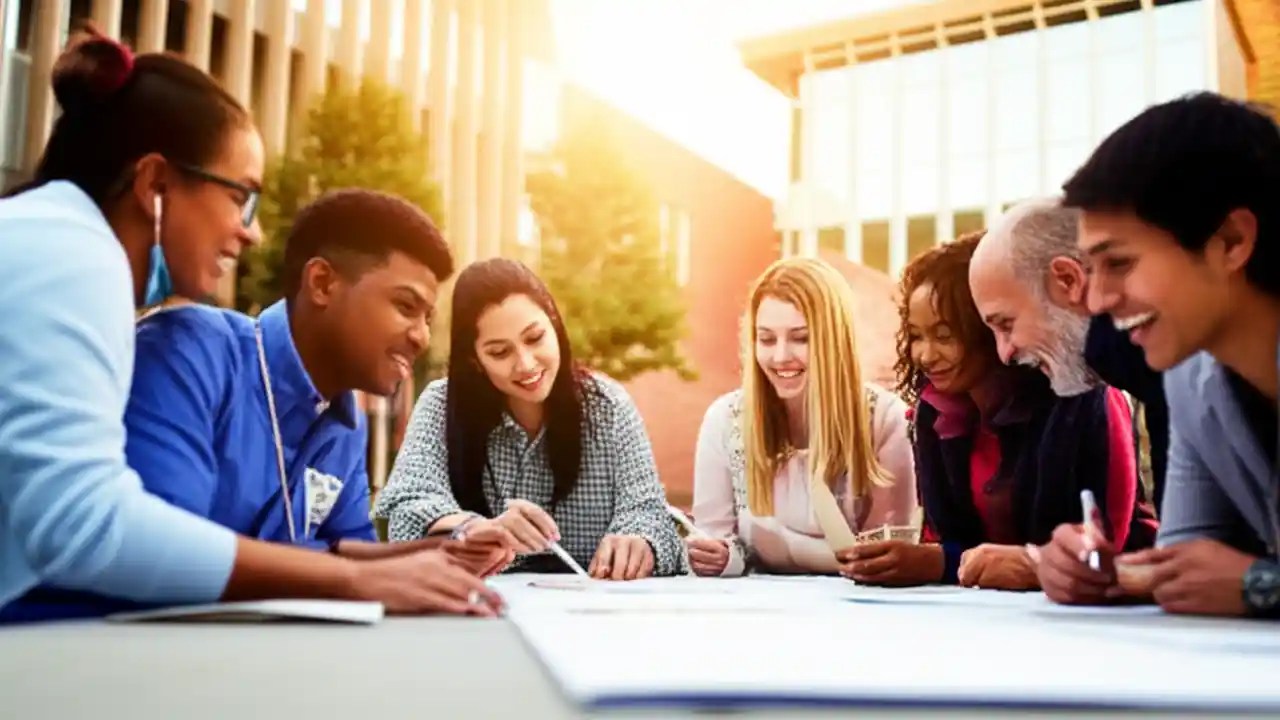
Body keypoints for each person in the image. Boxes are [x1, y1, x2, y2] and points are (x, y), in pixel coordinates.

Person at [0, 29, 499, 623]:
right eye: (244, 197)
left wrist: (434, 558)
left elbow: (329, 546)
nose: (252, 231)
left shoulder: (72, 249)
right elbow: (86, 525)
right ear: (156, 184)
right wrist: (350, 582)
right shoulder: (78, 255)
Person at [1034, 92, 1280, 617]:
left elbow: (1241, 580)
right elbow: (1190, 562)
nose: (1097, 300)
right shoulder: (1190, 380)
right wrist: (1101, 573)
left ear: (1230, 241)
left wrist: (1261, 585)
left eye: (1119, 262)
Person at [851, 232, 1146, 590]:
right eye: (916, 336)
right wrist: (931, 560)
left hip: (1117, 607)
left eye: (944, 336)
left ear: (988, 325)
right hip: (989, 613)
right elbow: (953, 546)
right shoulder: (934, 414)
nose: (926, 355)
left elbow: (1107, 542)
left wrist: (941, 563)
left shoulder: (1084, 398)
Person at [374, 258, 685, 580]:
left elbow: (649, 513)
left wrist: (640, 542)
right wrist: (476, 528)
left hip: (593, 613)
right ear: (475, 359)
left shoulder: (608, 406)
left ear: (554, 325)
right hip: (482, 614)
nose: (525, 364)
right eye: (499, 352)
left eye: (535, 338)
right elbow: (406, 509)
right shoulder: (442, 404)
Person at [686, 257, 916, 577]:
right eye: (766, 339)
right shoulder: (724, 421)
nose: (780, 357)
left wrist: (785, 544)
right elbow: (714, 542)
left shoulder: (884, 419)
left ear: (834, 339)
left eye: (801, 338)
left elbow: (883, 560)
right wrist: (723, 556)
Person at [969, 197, 1169, 511]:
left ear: (1068, 280)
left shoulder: (1177, 372)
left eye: (1006, 323)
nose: (1004, 353)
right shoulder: (1153, 373)